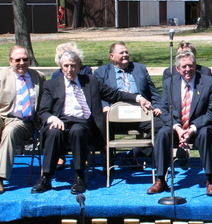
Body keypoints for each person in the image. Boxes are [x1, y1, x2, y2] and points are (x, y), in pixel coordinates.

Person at [32, 51, 154, 194]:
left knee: (78, 131)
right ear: (61, 67)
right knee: (53, 132)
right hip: (60, 121)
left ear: (79, 67)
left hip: (82, 122)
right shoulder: (51, 85)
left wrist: (138, 98)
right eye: (66, 66)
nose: (70, 69)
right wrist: (52, 118)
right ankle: (46, 177)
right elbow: (43, 111)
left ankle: (79, 176)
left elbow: (115, 94)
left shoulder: (91, 82)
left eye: (73, 66)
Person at [148, 50, 212, 196]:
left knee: (206, 133)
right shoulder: (170, 84)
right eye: (184, 66)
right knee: (162, 134)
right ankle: (161, 179)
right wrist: (178, 129)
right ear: (177, 69)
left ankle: (211, 180)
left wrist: (191, 129)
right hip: (177, 128)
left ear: (195, 65)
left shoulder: (209, 83)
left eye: (190, 65)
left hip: (200, 127)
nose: (187, 69)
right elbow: (164, 109)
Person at [0, 46, 45, 194]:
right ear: (10, 61)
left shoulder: (38, 77)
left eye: (25, 59)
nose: (21, 63)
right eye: (17, 60)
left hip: (24, 121)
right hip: (1, 115)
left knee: (11, 130)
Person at [95, 42, 163, 157]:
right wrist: (104, 106)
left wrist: (158, 107)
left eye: (127, 52)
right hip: (115, 116)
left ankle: (137, 153)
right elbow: (98, 94)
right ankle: (109, 161)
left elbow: (153, 93)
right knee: (99, 126)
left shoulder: (140, 69)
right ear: (112, 56)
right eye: (121, 52)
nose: (125, 54)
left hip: (142, 113)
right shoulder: (101, 72)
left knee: (164, 126)